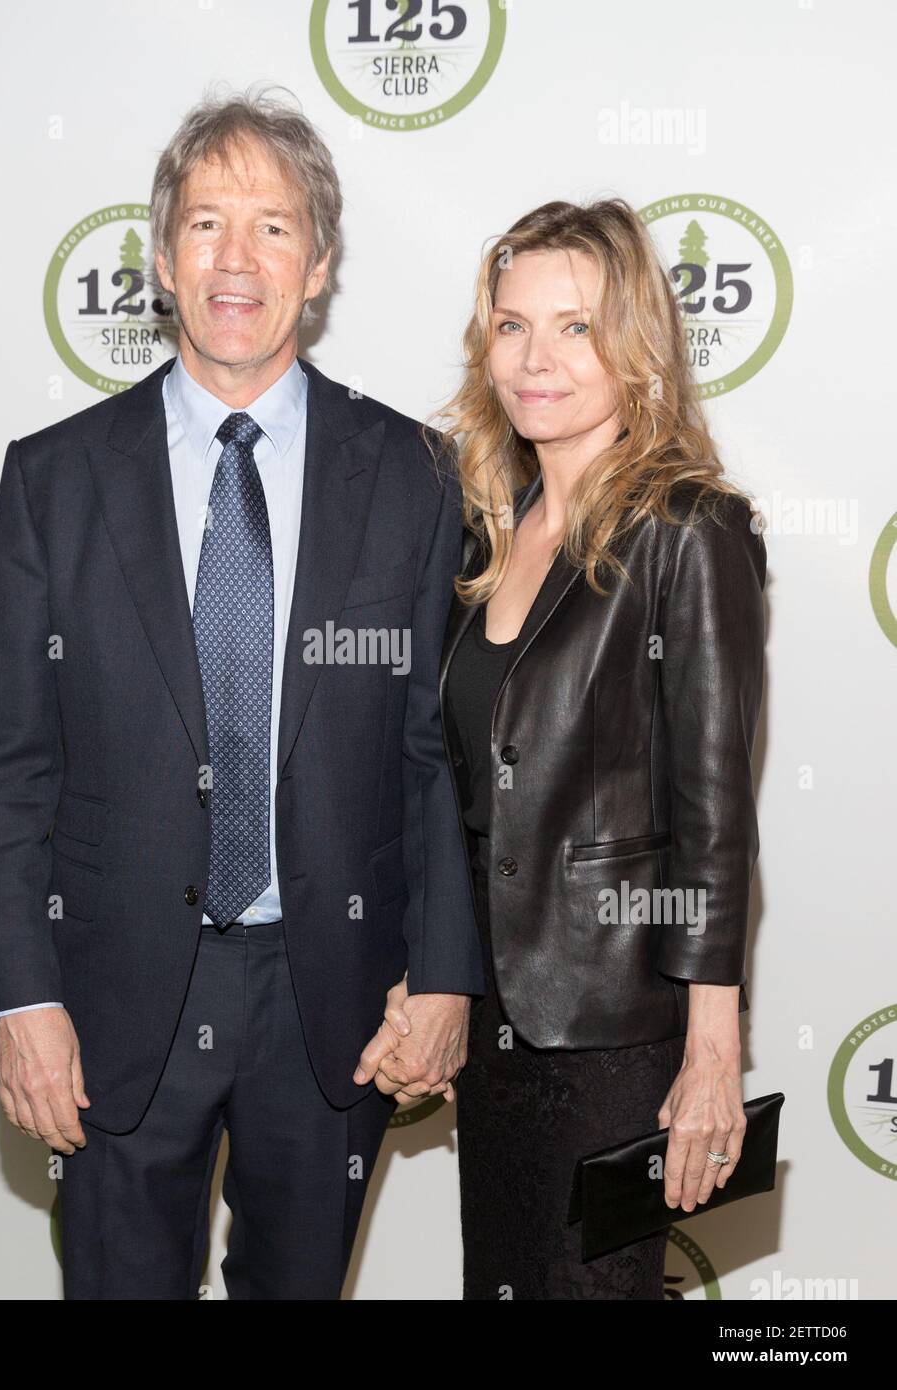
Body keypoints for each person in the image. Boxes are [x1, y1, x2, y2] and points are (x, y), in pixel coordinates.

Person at [0, 86, 484, 1300]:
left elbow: (433, 755)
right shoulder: (55, 480)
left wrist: (445, 971)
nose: (236, 258)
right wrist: (20, 996)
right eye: (204, 224)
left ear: (319, 265)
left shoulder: (412, 476)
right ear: (159, 257)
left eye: (273, 226)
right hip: (109, 999)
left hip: (334, 1004)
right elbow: (2, 764)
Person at [383, 198, 767, 1298]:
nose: (534, 358)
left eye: (574, 327)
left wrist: (709, 1055)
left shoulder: (688, 532)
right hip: (496, 1027)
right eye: (510, 325)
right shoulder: (482, 530)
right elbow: (456, 798)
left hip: (615, 1034)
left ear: (635, 347)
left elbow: (714, 822)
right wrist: (428, 979)